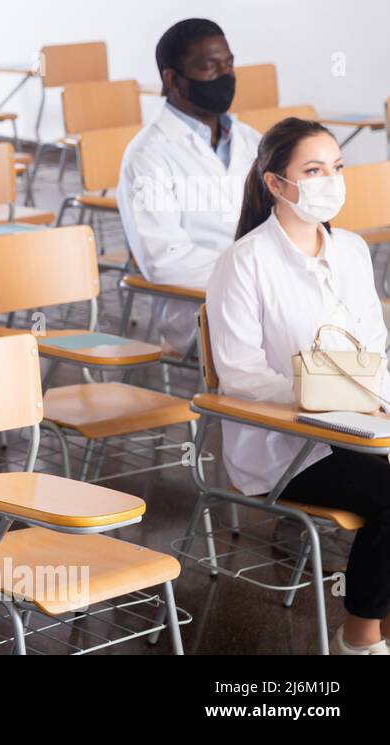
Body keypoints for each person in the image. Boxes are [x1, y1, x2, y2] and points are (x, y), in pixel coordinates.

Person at [208, 117, 390, 655]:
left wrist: (374, 403)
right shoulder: (244, 263)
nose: (330, 180)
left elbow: (376, 350)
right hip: (286, 444)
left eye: (336, 167)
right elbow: (239, 373)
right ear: (276, 184)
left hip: (361, 425)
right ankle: (359, 636)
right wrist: (325, 397)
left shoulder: (352, 251)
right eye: (313, 170)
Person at [117, 18, 262, 351]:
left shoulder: (251, 140)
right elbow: (164, 261)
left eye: (229, 64)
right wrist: (255, 273)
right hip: (199, 304)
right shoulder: (147, 156)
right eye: (210, 67)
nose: (225, 75)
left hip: (262, 290)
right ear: (173, 79)